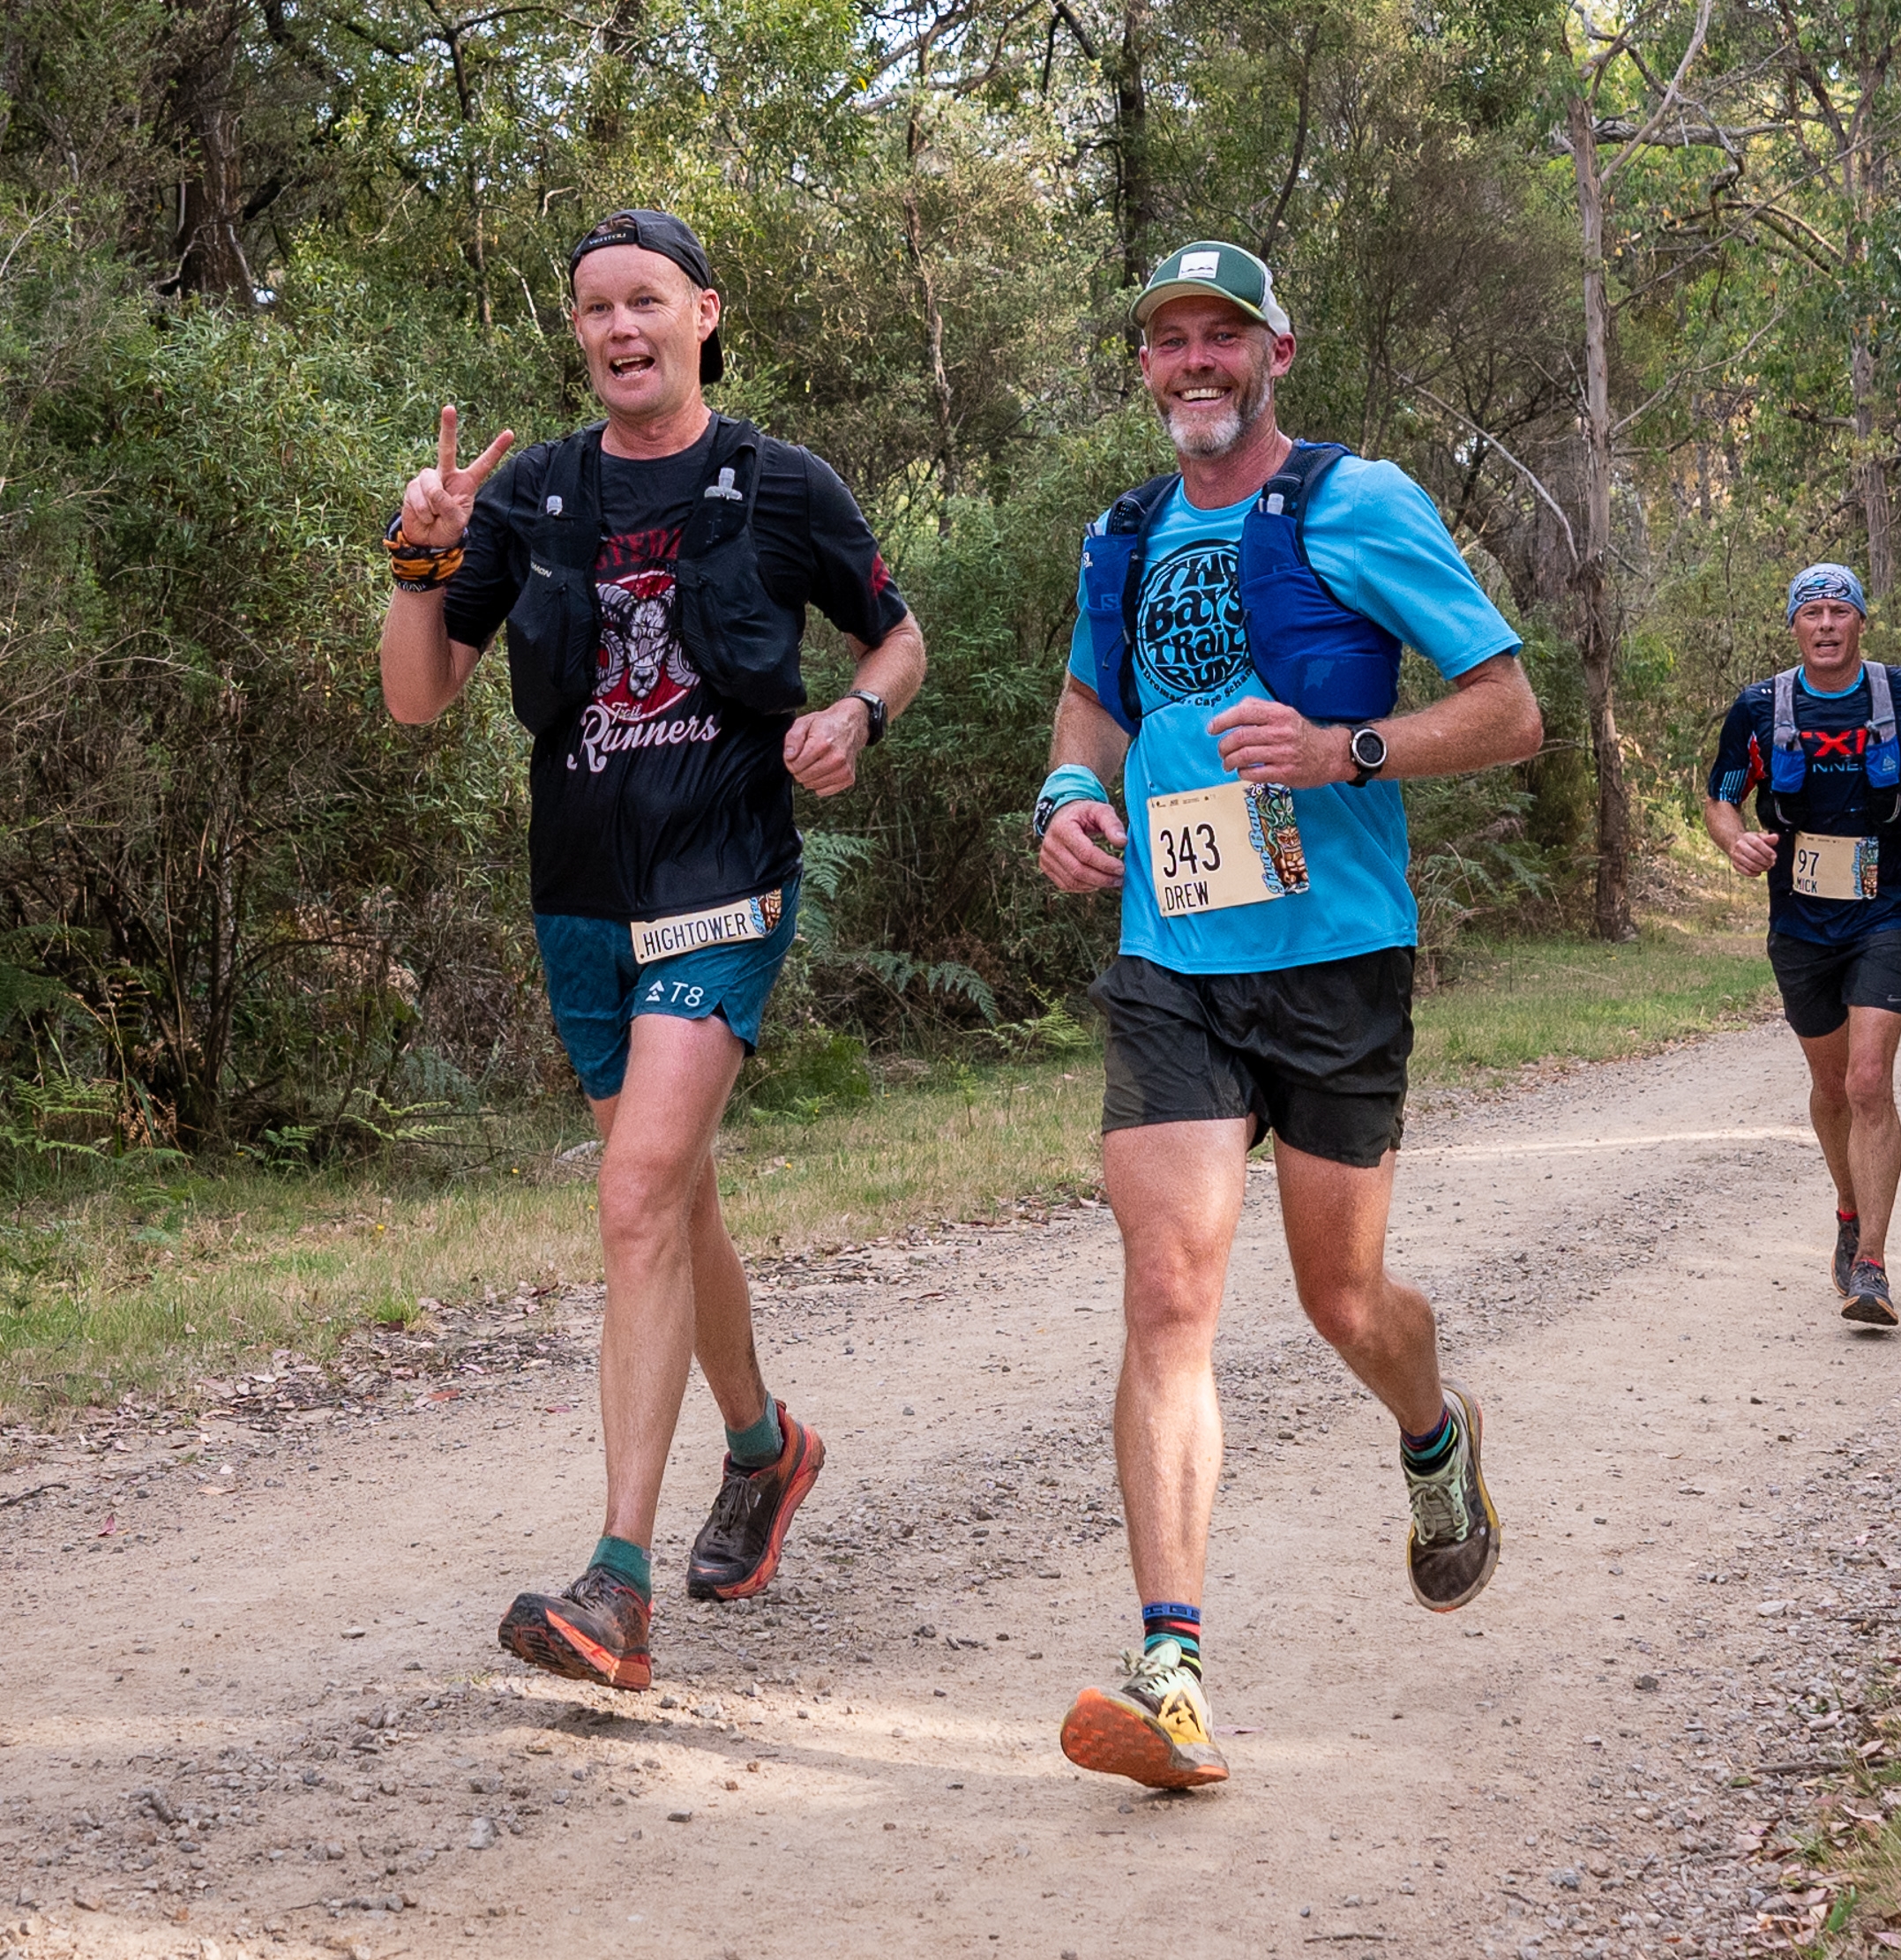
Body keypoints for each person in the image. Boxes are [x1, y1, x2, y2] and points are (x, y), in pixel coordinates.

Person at [378, 210, 926, 1690]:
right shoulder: (531, 495)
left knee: (632, 1195)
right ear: (578, 333)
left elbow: (897, 633)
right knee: (670, 1200)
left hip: (724, 879)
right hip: (580, 898)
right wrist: (420, 560)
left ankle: (613, 1583)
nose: (621, 326)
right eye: (595, 307)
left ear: (703, 314)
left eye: (646, 300)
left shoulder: (781, 482)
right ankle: (765, 1446)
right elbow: (418, 698)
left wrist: (856, 713)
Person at [1033, 241, 1542, 1791]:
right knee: (1168, 1288)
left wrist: (1347, 750)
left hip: (1334, 956)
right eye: (1168, 339)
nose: (1194, 360)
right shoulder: (1122, 534)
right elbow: (1092, 702)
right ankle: (1171, 1669)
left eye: (1222, 335)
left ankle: (1433, 1432)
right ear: (1144, 364)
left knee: (1343, 1299)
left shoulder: (1355, 501)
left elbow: (1508, 709)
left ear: (1275, 352)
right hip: (1171, 952)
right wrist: (1065, 791)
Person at [1704, 564, 1901, 1328]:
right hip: (1799, 920)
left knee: (1866, 1082)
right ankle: (1848, 1210)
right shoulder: (1759, 708)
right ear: (1794, 625)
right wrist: (1734, 840)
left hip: (1887, 908)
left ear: (1859, 621)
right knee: (1829, 1088)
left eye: (1838, 611)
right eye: (1811, 613)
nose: (1825, 625)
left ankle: (1872, 1268)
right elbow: (1721, 798)